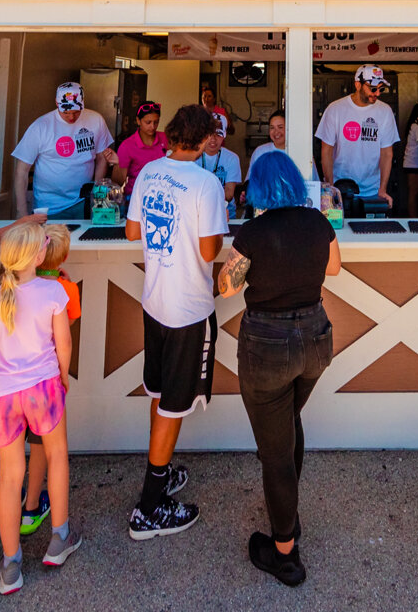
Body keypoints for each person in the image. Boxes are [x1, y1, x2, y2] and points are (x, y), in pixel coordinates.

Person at [215, 150, 340, 586]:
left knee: (275, 453)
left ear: (257, 186)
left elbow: (228, 288)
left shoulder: (253, 232)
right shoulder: (317, 223)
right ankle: (289, 509)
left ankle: (285, 552)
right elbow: (335, 268)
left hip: (267, 345)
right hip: (316, 337)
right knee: (289, 420)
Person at [122, 104, 227, 540]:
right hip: (188, 308)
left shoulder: (149, 172)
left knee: (161, 394)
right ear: (204, 141)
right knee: (173, 403)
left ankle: (160, 475)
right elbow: (209, 252)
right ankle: (150, 508)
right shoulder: (206, 182)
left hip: (156, 301)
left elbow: (131, 233)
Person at [0, 220, 78, 589]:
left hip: (4, 393)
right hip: (44, 387)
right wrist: (63, 376)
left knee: (9, 477)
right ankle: (59, 538)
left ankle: (11, 563)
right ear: (38, 256)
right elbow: (63, 344)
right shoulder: (52, 292)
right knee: (57, 457)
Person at [11, 82, 114, 219]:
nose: (71, 117)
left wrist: (96, 195)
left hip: (83, 202)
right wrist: (22, 213)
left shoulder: (96, 120)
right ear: (56, 102)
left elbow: (102, 158)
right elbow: (21, 171)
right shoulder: (41, 126)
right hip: (49, 206)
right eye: (66, 112)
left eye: (76, 112)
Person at [315, 65, 400, 207]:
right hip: (341, 189)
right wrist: (330, 188)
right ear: (357, 84)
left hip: (372, 191)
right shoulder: (335, 109)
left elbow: (386, 153)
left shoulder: (385, 111)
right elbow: (326, 151)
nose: (377, 93)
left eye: (381, 89)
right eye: (373, 89)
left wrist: (382, 189)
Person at [113, 101, 168, 195]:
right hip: (135, 197)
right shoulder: (127, 146)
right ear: (138, 120)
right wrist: (117, 163)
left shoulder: (166, 139)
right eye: (148, 122)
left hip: (162, 195)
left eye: (156, 122)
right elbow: (118, 182)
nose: (152, 126)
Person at [197, 113, 242, 215]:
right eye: (209, 134)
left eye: (218, 134)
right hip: (198, 214)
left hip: (225, 214)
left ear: (224, 135)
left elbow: (229, 194)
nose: (213, 139)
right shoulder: (193, 157)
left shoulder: (232, 159)